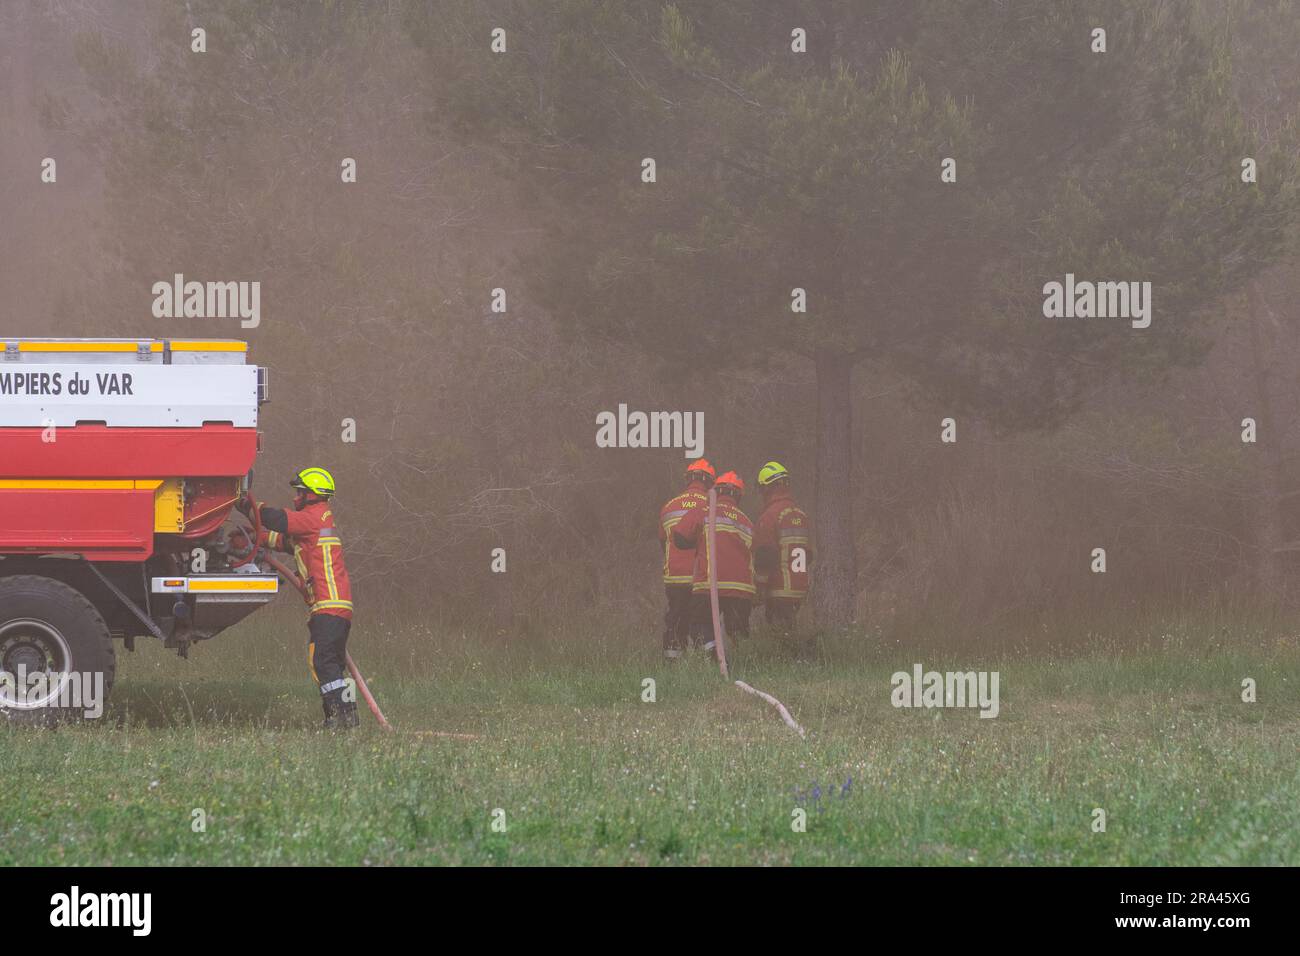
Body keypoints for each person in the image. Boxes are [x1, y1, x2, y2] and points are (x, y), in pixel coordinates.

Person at [239, 467, 357, 729]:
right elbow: (280, 540)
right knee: (334, 665)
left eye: (300, 492)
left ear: (312, 495)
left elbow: (275, 519)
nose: (295, 497)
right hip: (335, 606)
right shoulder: (318, 523)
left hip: (328, 606)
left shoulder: (312, 517)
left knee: (322, 661)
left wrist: (246, 504)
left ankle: (338, 719)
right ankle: (347, 716)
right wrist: (249, 537)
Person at [672, 471, 755, 662]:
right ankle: (743, 665)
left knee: (700, 626)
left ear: (715, 490)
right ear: (739, 496)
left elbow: (680, 536)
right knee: (739, 632)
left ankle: (714, 658)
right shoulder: (747, 521)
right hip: (741, 588)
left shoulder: (704, 510)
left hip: (709, 583)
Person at [753, 460, 814, 658]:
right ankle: (799, 658)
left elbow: (765, 557)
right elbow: (808, 554)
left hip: (779, 587)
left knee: (780, 634)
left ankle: (794, 663)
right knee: (789, 627)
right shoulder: (800, 514)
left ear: (769, 488)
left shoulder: (770, 516)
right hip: (799, 587)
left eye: (762, 488)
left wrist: (759, 589)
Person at [657, 459, 715, 660]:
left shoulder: (669, 506)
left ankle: (671, 662)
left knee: (675, 620)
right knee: (702, 622)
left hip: (674, 577)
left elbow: (663, 542)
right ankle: (708, 662)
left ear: (687, 480)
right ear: (709, 482)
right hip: (700, 577)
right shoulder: (712, 506)